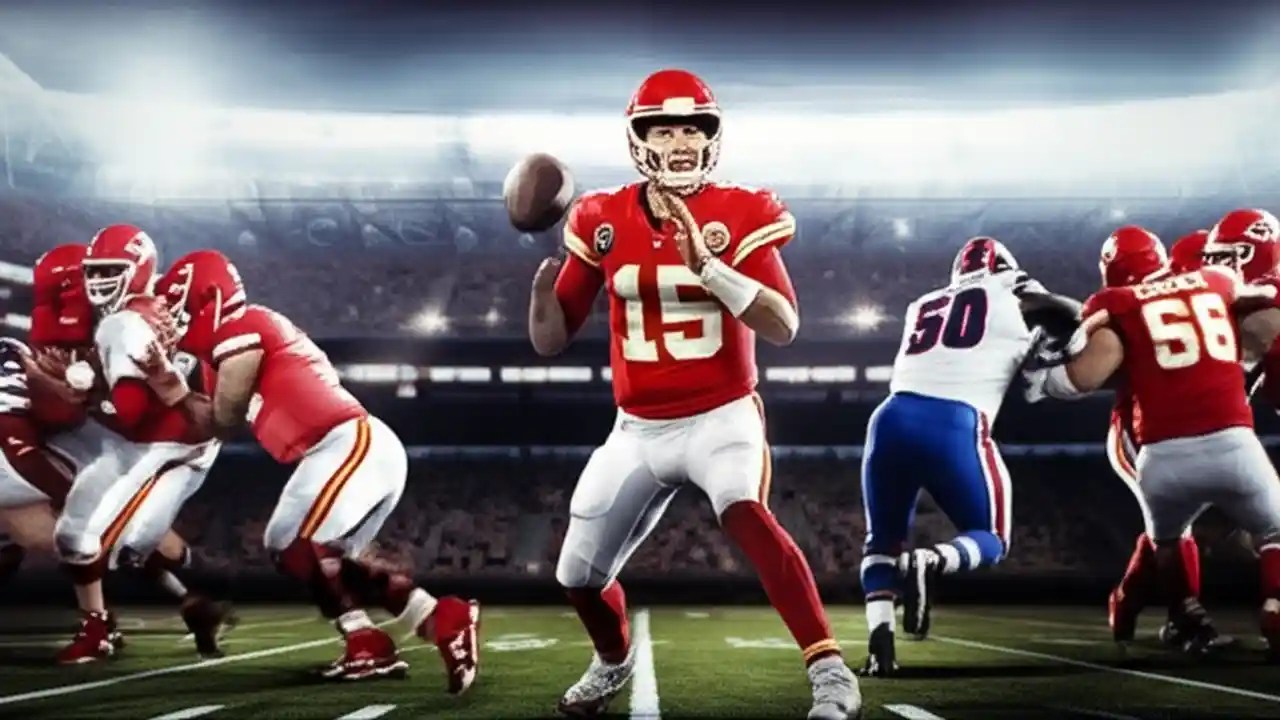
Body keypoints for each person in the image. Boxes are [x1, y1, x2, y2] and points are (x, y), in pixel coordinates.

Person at [527, 68, 858, 719]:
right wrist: (542, 294)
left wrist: (710, 270)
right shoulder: (601, 218)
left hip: (721, 415)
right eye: (665, 128)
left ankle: (830, 671)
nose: (680, 142)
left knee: (744, 510)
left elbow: (784, 325)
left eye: (692, 128)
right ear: (638, 140)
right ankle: (611, 661)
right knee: (576, 576)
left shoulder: (742, 211)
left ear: (713, 138)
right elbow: (549, 341)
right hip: (636, 429)